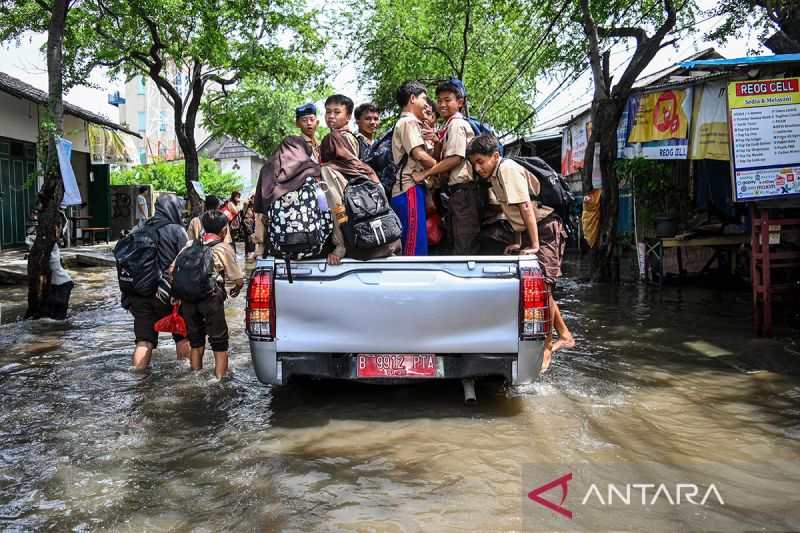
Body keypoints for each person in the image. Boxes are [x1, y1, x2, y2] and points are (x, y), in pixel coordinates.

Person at [466, 134, 575, 374]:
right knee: (540, 289)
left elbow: (525, 206)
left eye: (481, 161)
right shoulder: (494, 175)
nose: (478, 167)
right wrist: (518, 241)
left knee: (543, 288)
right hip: (532, 231)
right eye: (474, 163)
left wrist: (534, 244)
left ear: (495, 156)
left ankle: (547, 347)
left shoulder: (507, 169)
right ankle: (565, 335)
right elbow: (512, 210)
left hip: (546, 228)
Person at [169, 210, 244, 380]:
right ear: (224, 229)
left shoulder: (190, 245)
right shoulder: (223, 247)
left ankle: (195, 377)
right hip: (210, 297)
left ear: (202, 227)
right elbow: (238, 280)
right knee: (219, 342)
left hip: (188, 300)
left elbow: (171, 270)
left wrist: (182, 291)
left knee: (195, 341)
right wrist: (237, 289)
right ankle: (218, 380)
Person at [122, 193, 190, 370]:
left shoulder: (139, 228)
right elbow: (185, 263)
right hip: (168, 294)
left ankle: (138, 378)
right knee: (182, 336)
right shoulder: (176, 230)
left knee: (144, 340)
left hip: (139, 292)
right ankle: (188, 381)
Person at [413, 79, 480, 255]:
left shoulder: (457, 124)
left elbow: (455, 158)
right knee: (455, 237)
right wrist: (437, 143)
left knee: (463, 241)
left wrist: (425, 173)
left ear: (459, 103)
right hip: (456, 192)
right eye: (439, 100)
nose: (442, 104)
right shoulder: (448, 125)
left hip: (464, 190)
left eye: (447, 100)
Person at [319, 130, 402, 264]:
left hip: (363, 247)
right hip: (391, 241)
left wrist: (339, 248)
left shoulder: (328, 169)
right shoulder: (364, 167)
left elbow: (337, 209)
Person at [252, 136, 325, 258]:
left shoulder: (268, 170)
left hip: (278, 248)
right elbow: (325, 209)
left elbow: (261, 214)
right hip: (315, 246)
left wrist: (260, 247)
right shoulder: (313, 169)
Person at [391, 81, 438, 256]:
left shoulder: (414, 124)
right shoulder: (408, 123)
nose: (426, 103)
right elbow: (418, 154)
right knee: (412, 248)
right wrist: (439, 167)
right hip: (409, 187)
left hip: (412, 189)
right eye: (424, 98)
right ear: (412, 98)